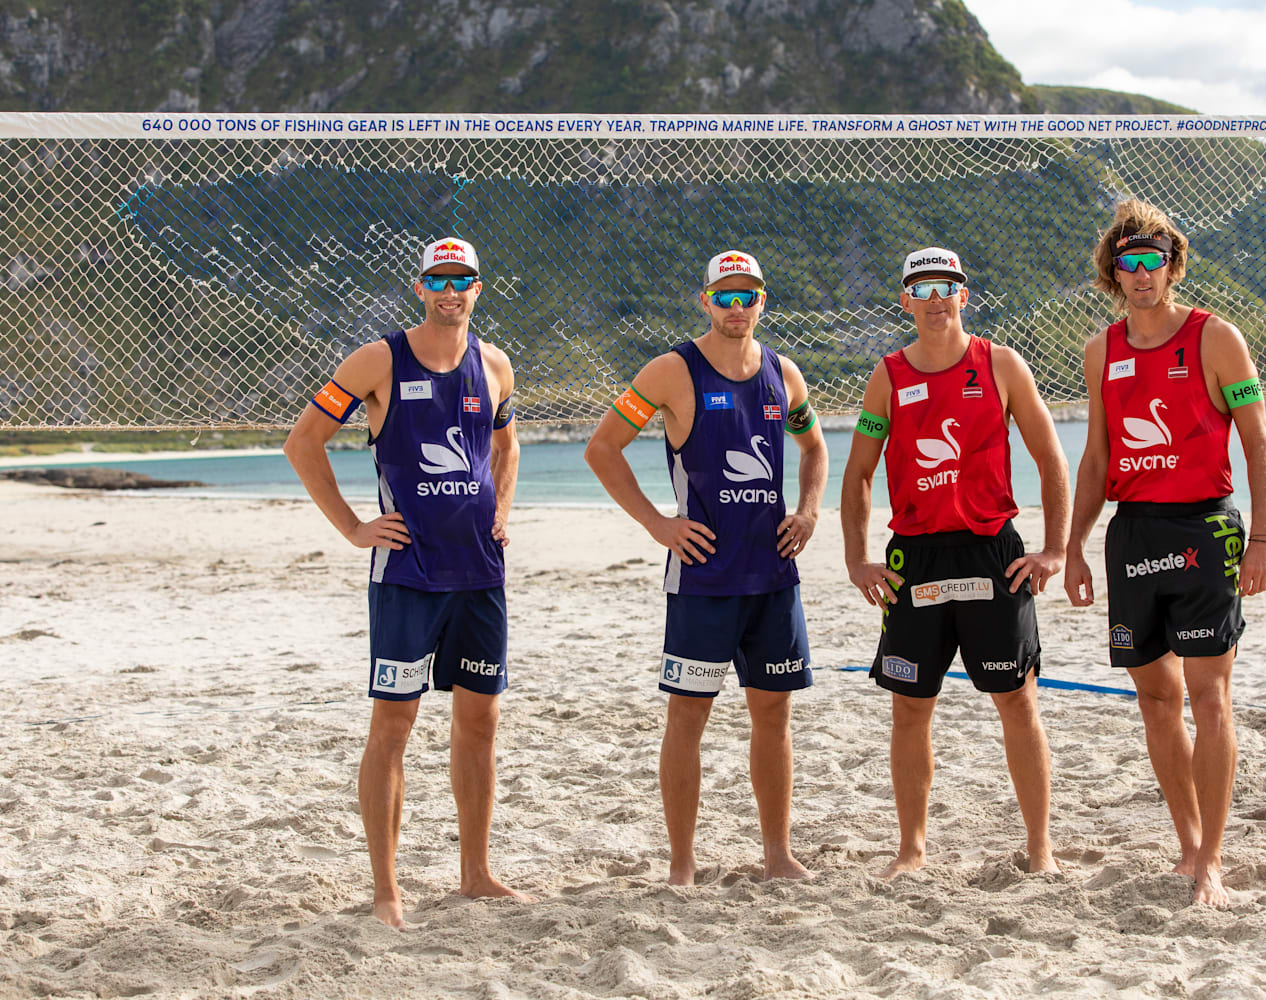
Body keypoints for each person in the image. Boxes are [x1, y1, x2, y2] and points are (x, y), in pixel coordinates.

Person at [283, 237, 530, 928]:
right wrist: (353, 528)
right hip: (407, 576)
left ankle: (476, 874)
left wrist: (502, 511)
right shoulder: (377, 360)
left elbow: (507, 445)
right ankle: (387, 893)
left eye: (461, 279)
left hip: (479, 573)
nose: (450, 291)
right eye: (437, 280)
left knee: (480, 722)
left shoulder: (494, 364)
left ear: (478, 287)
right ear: (420, 287)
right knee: (394, 725)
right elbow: (302, 443)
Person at [585, 250, 829, 886]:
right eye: (725, 295)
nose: (736, 306)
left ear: (762, 301)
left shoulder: (783, 373)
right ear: (706, 302)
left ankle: (777, 854)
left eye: (748, 295)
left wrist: (808, 512)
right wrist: (657, 523)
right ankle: (682, 864)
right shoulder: (671, 371)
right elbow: (602, 448)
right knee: (688, 719)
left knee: (773, 716)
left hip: (773, 578)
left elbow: (815, 447)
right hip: (702, 580)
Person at [1063, 199, 1266, 908]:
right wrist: (1074, 546)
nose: (1142, 273)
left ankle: (1211, 860)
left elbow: (1257, 442)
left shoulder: (1216, 338)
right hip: (1134, 534)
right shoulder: (1102, 350)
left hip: (1204, 531)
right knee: (1157, 699)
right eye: (1128, 262)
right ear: (1114, 272)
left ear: (1172, 266)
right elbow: (1097, 457)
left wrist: (1262, 538)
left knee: (1211, 697)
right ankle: (1187, 844)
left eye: (1153, 260)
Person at [841, 247, 1070, 879]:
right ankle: (911, 851)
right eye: (922, 288)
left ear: (964, 295)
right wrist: (858, 559)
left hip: (990, 551)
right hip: (915, 560)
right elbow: (858, 474)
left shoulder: (1000, 363)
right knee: (911, 708)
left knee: (1016, 700)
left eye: (947, 286)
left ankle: (1041, 849)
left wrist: (1054, 548)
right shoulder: (888, 376)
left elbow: (1051, 458)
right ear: (906, 301)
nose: (935, 298)